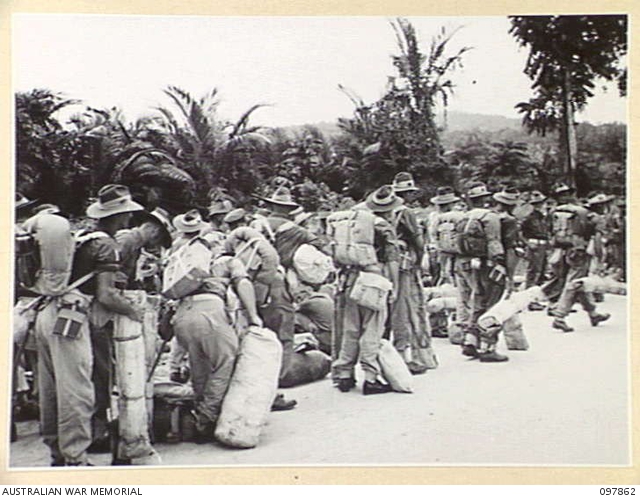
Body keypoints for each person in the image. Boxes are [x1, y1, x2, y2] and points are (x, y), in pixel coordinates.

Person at [36, 184, 145, 465]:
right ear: (119, 217)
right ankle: (76, 459)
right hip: (71, 317)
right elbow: (107, 295)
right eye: (126, 215)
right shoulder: (106, 244)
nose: (129, 220)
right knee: (77, 391)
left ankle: (57, 452)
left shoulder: (81, 236)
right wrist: (134, 311)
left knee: (52, 389)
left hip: (48, 312)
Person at [171, 240, 263, 442]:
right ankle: (205, 419)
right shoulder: (228, 261)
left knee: (199, 366)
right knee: (225, 363)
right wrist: (254, 315)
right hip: (210, 311)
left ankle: (197, 413)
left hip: (182, 317)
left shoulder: (185, 265)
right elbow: (243, 283)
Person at [331, 185, 400, 394]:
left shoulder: (348, 225)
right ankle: (370, 378)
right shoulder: (382, 227)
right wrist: (393, 286)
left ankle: (345, 374)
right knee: (373, 327)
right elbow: (392, 259)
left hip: (348, 277)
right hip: (373, 278)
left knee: (350, 327)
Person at [454, 182, 509, 362]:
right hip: (487, 264)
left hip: (467, 262)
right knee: (493, 303)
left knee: (477, 300)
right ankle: (488, 346)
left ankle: (470, 340)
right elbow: (494, 243)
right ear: (485, 199)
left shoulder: (464, 217)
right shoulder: (490, 217)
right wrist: (500, 263)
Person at [389, 172, 437, 373]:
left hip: (385, 265)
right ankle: (404, 354)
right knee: (407, 308)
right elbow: (417, 240)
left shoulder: (379, 209)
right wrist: (420, 259)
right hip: (404, 265)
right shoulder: (405, 212)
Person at [545, 184, 610, 333]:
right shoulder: (595, 218)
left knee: (581, 283)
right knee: (574, 284)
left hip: (563, 250)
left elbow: (549, 230)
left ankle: (593, 313)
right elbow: (598, 241)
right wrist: (600, 259)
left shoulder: (561, 211)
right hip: (580, 253)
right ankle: (559, 317)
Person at [520, 190, 549, 311]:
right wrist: (527, 243)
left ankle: (536, 298)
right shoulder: (529, 218)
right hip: (534, 244)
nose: (540, 205)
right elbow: (520, 233)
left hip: (543, 245)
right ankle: (530, 300)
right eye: (537, 203)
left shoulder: (543, 217)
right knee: (533, 273)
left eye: (541, 203)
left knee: (541, 272)